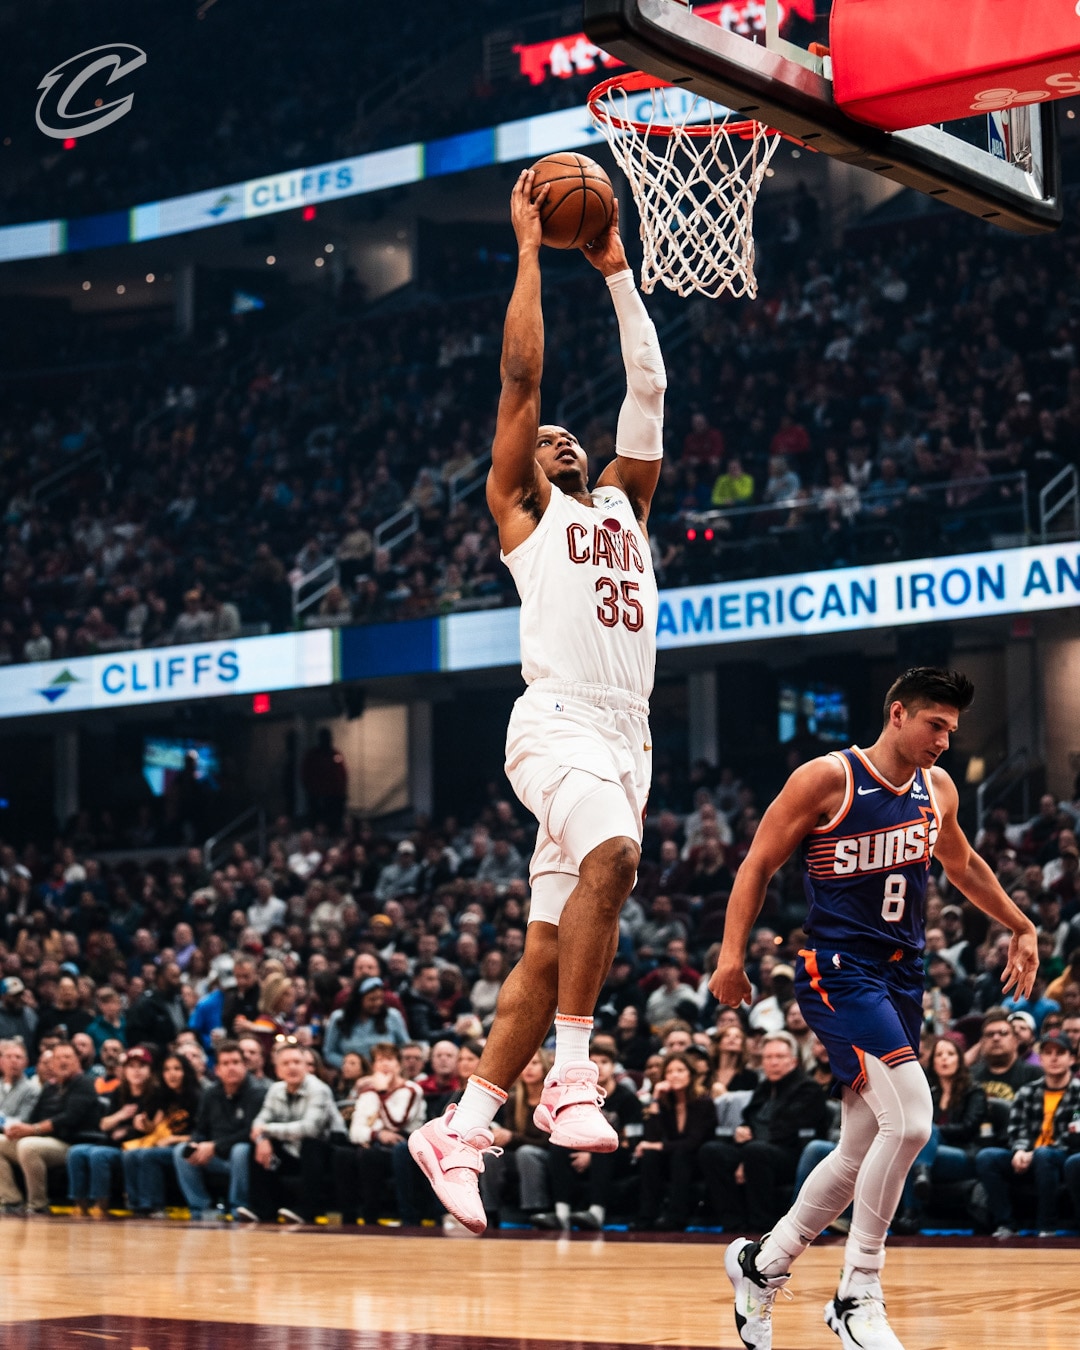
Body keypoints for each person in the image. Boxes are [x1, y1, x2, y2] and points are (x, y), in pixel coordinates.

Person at [410, 169, 665, 1235]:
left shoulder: (625, 504)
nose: (560, 438)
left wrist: (615, 271)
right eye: (547, 436)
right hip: (555, 719)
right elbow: (521, 380)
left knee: (548, 949)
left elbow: (648, 387)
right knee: (617, 856)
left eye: (571, 436)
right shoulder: (524, 507)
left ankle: (461, 1125)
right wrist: (527, 251)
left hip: (627, 737)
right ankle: (568, 1075)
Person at [711, 667, 1038, 1350]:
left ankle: (763, 1263)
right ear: (897, 714)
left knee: (860, 1148)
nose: (944, 740)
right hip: (840, 969)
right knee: (913, 1122)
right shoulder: (827, 778)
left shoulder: (937, 788)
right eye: (935, 725)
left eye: (952, 730)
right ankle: (857, 1291)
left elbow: (963, 864)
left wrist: (1020, 924)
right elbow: (758, 864)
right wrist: (731, 955)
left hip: (901, 976)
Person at [699, 1031, 828, 1233]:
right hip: (755, 1148)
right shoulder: (764, 1087)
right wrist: (741, 1131)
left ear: (793, 1061)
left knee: (756, 1152)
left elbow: (788, 1129)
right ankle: (733, 1222)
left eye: (779, 1057)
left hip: (791, 1153)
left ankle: (761, 1223)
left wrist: (749, 1145)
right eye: (768, 1057)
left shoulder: (808, 1088)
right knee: (712, 1151)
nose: (773, 1062)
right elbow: (750, 1118)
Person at [974, 1028, 1080, 1237]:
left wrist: (1036, 1153)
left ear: (1072, 1059)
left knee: (1044, 1155)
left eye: (1060, 1052)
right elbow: (1016, 1129)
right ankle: (1006, 1224)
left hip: (1064, 1156)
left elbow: (1075, 1136)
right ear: (1040, 1059)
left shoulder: (1078, 1092)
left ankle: (1046, 1226)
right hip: (1031, 1155)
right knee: (987, 1157)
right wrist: (1021, 1150)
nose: (1053, 1058)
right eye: (1048, 1052)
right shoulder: (1027, 1091)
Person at [892, 1035, 986, 1234]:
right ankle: (915, 1196)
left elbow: (968, 1128)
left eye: (950, 1054)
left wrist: (935, 1131)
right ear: (932, 1061)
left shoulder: (974, 1091)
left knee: (926, 1132)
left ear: (960, 1060)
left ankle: (912, 1212)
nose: (944, 1058)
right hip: (930, 1154)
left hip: (963, 1153)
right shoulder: (928, 1091)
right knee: (911, 1150)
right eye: (939, 1055)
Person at [244, 1040, 345, 1224]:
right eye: (286, 1063)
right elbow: (259, 1121)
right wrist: (261, 1139)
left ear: (306, 1067)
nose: (292, 1067)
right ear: (277, 1070)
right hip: (293, 1148)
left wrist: (266, 1130)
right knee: (259, 1147)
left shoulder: (319, 1089)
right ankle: (263, 1209)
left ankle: (307, 1210)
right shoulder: (275, 1089)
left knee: (310, 1145)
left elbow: (310, 1128)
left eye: (297, 1062)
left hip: (328, 1149)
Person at [331, 1042, 425, 1226]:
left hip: (403, 1145)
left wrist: (382, 1093)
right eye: (379, 1060)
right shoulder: (367, 1093)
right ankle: (348, 1219)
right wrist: (376, 1135)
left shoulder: (411, 1090)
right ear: (373, 1066)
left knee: (370, 1156)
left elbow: (396, 1124)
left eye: (389, 1059)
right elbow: (354, 1132)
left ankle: (372, 1218)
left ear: (399, 1065)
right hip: (374, 1144)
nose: (384, 1064)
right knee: (342, 1155)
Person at [0, 1041, 99, 1214]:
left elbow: (69, 1118)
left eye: (67, 1057)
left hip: (72, 1144)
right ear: (51, 1063)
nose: (63, 1061)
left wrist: (33, 1130)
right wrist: (18, 1130)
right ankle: (11, 1200)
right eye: (58, 1058)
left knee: (28, 1146)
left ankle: (38, 1205)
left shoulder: (84, 1083)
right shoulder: (50, 1087)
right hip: (44, 1140)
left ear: (77, 1061)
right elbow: (34, 1119)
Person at [173, 1039, 265, 1220]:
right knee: (181, 1151)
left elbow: (250, 1132)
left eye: (236, 1062)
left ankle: (238, 1207)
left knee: (241, 1150)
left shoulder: (256, 1092)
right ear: (217, 1069)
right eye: (225, 1063)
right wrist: (195, 1143)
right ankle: (201, 1208)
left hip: (244, 1158)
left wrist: (215, 1146)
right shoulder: (210, 1094)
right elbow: (201, 1129)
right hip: (214, 1156)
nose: (231, 1068)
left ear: (245, 1066)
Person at [630, 1050, 716, 1232]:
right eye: (669, 1071)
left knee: (679, 1155)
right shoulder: (664, 1102)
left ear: (691, 1074)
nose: (674, 1075)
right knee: (650, 1156)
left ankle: (676, 1217)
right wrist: (655, 1097)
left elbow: (693, 1142)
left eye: (680, 1070)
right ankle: (646, 1216)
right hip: (672, 1156)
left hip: (698, 1158)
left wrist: (655, 1145)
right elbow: (651, 1137)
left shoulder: (704, 1102)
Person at [67, 1044, 155, 1217]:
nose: (136, 1071)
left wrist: (127, 1130)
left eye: (141, 1066)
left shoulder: (155, 1094)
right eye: (131, 1066)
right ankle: (80, 1204)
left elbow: (152, 1128)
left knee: (99, 1155)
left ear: (150, 1070)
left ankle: (101, 1205)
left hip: (134, 1147)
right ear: (124, 1070)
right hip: (112, 1143)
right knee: (76, 1152)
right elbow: (103, 1124)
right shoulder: (119, 1092)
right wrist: (120, 1116)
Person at [122, 1051, 202, 1216]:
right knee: (130, 1155)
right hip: (164, 1144)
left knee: (148, 1155)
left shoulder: (198, 1097)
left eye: (177, 1069)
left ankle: (153, 1206)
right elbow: (154, 1128)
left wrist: (173, 1139)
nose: (171, 1074)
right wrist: (144, 1123)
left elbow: (202, 1134)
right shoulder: (164, 1097)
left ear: (186, 1072)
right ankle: (135, 1204)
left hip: (186, 1146)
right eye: (167, 1069)